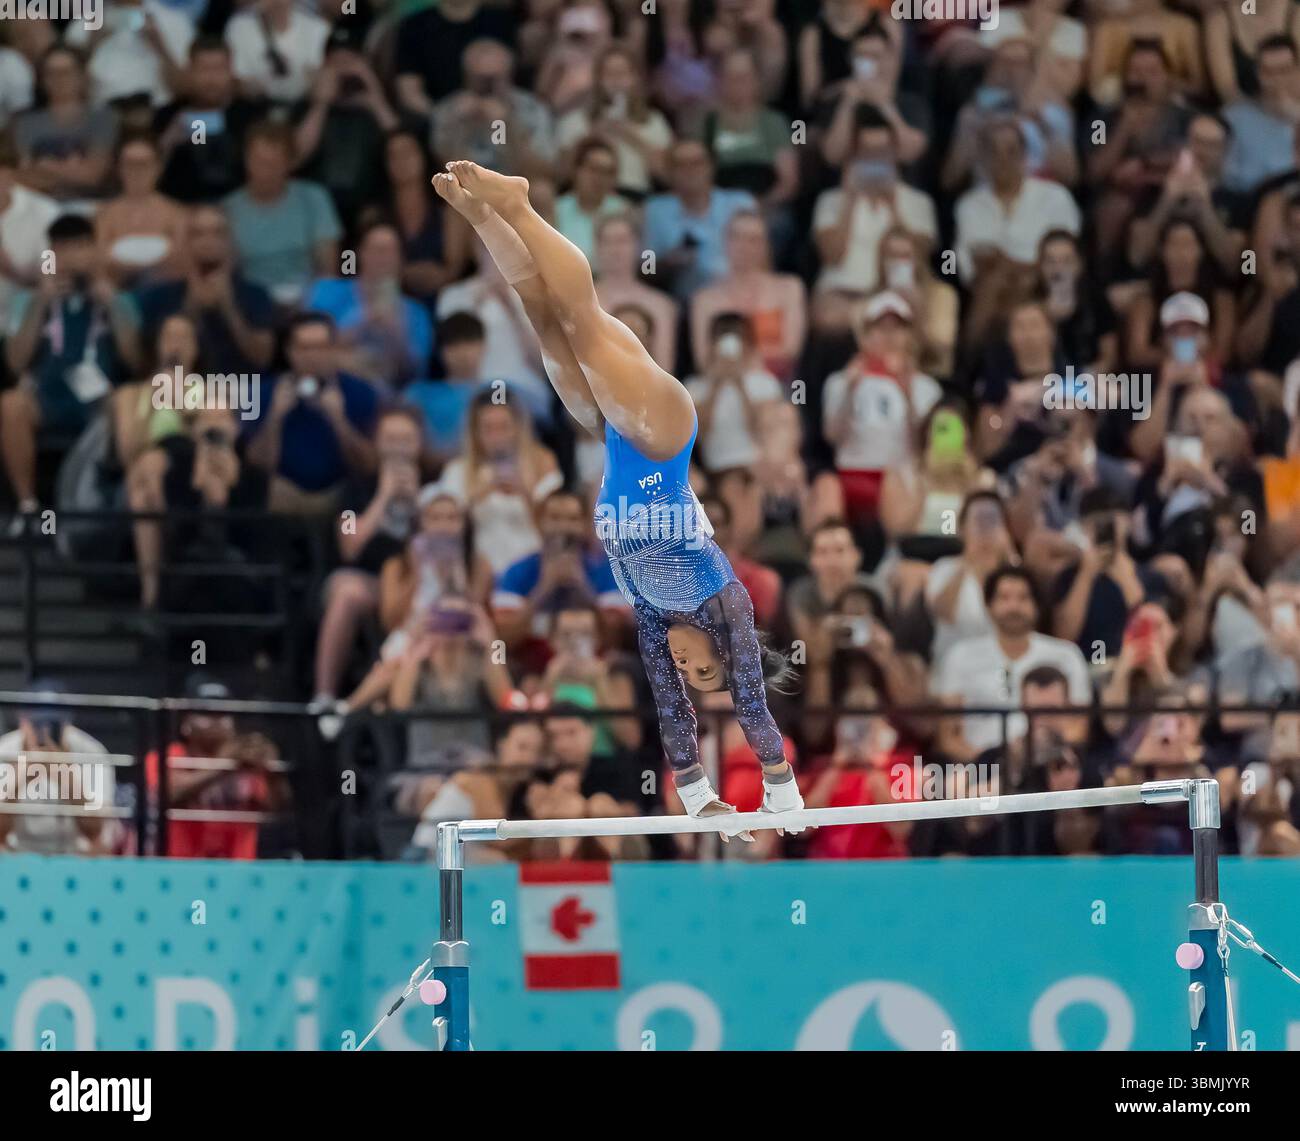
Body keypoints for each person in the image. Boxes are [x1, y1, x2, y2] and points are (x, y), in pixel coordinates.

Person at [431, 160, 803, 837]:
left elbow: (672, 712)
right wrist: (783, 796)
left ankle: (483, 217)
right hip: (661, 433)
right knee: (581, 317)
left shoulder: (657, 623)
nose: (687, 668)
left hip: (611, 435)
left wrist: (700, 801)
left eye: (692, 670)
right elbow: (752, 701)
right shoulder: (726, 602)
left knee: (545, 316)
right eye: (702, 663)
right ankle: (517, 202)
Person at [2, 214, 139, 524]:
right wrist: (41, 303)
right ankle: (27, 507)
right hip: (48, 393)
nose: (70, 258)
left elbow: (135, 361)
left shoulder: (119, 298)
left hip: (97, 396)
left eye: (78, 249)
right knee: (11, 405)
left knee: (124, 404)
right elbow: (15, 362)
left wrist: (112, 305)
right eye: (61, 250)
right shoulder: (29, 299)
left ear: (94, 251)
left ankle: (107, 503)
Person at [934, 564, 1092, 761]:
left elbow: (1079, 728)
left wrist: (1038, 757)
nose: (1014, 607)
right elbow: (947, 737)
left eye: (1023, 598)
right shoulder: (960, 656)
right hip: (981, 770)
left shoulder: (1066, 655)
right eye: (1004, 598)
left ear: (1036, 606)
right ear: (989, 605)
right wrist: (993, 763)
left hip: (1049, 767)